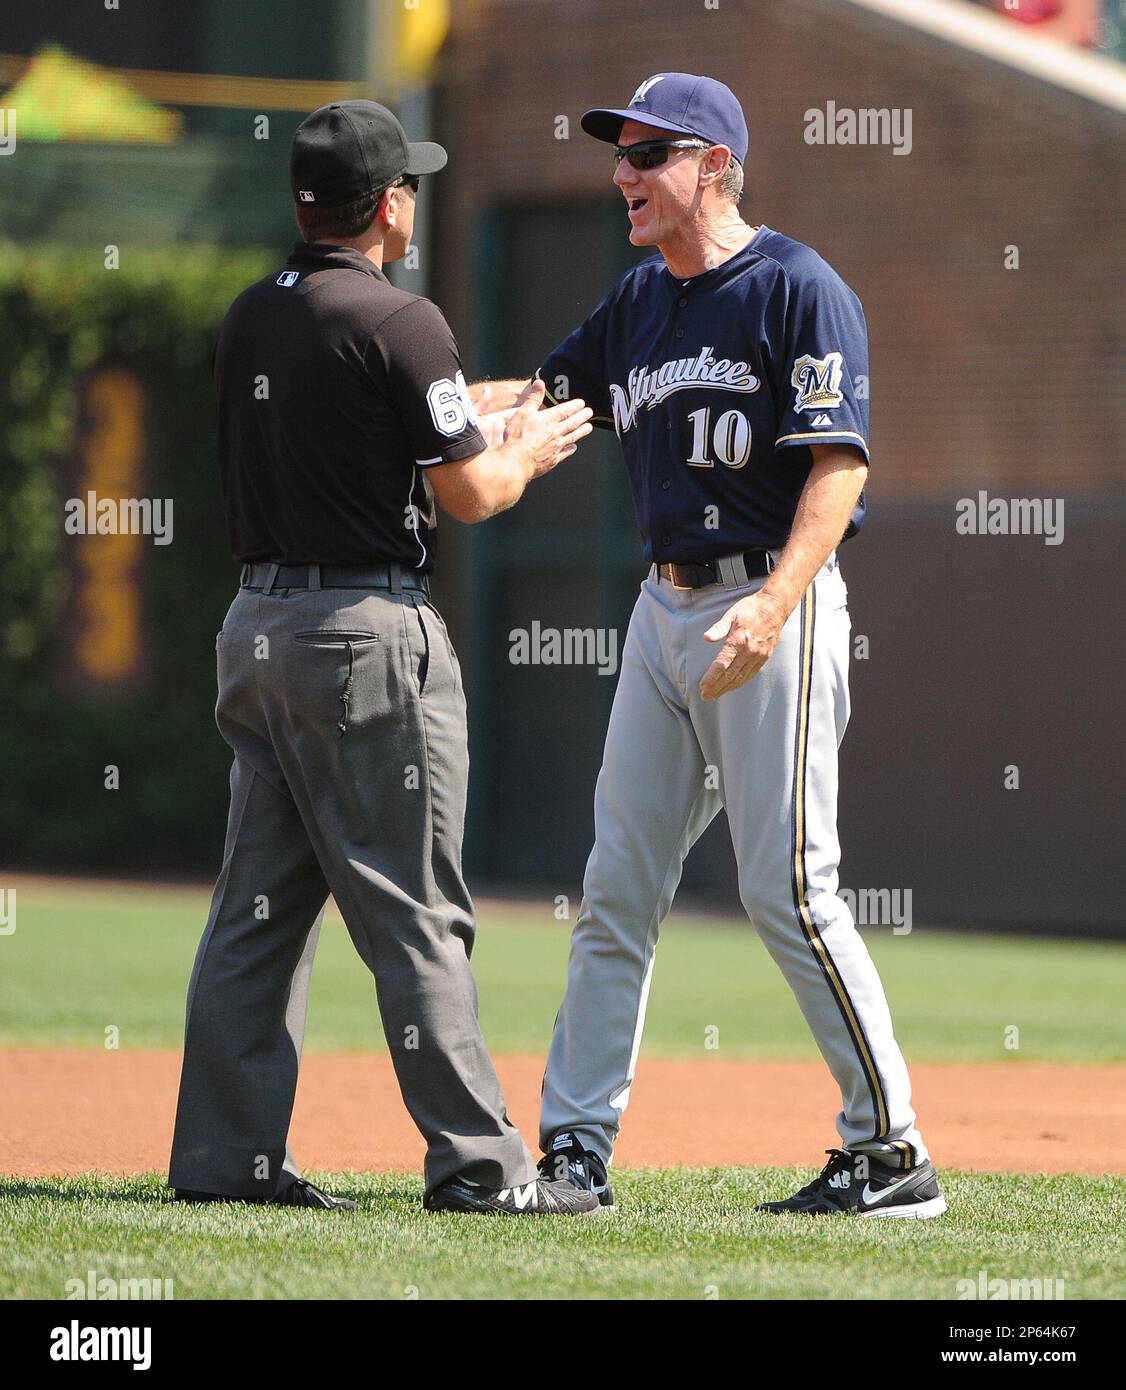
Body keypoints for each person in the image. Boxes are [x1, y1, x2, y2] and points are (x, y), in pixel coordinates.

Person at [473, 73, 945, 1218]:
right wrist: (411, 400)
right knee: (615, 887)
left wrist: (776, 604)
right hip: (661, 609)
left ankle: (890, 1155)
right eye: (618, 154)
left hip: (766, 604)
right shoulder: (637, 301)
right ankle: (576, 1152)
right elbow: (532, 400)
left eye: (647, 154)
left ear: (715, 166)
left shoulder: (798, 288)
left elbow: (838, 468)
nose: (623, 174)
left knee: (788, 885)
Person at [168, 100, 597, 1217]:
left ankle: (225, 1161)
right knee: (416, 912)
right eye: (408, 183)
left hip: (256, 634)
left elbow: (381, 412)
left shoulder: (255, 315)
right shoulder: (404, 320)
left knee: (253, 915)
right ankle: (480, 1168)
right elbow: (469, 488)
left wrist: (499, 402)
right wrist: (533, 450)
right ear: (390, 202)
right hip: (364, 640)